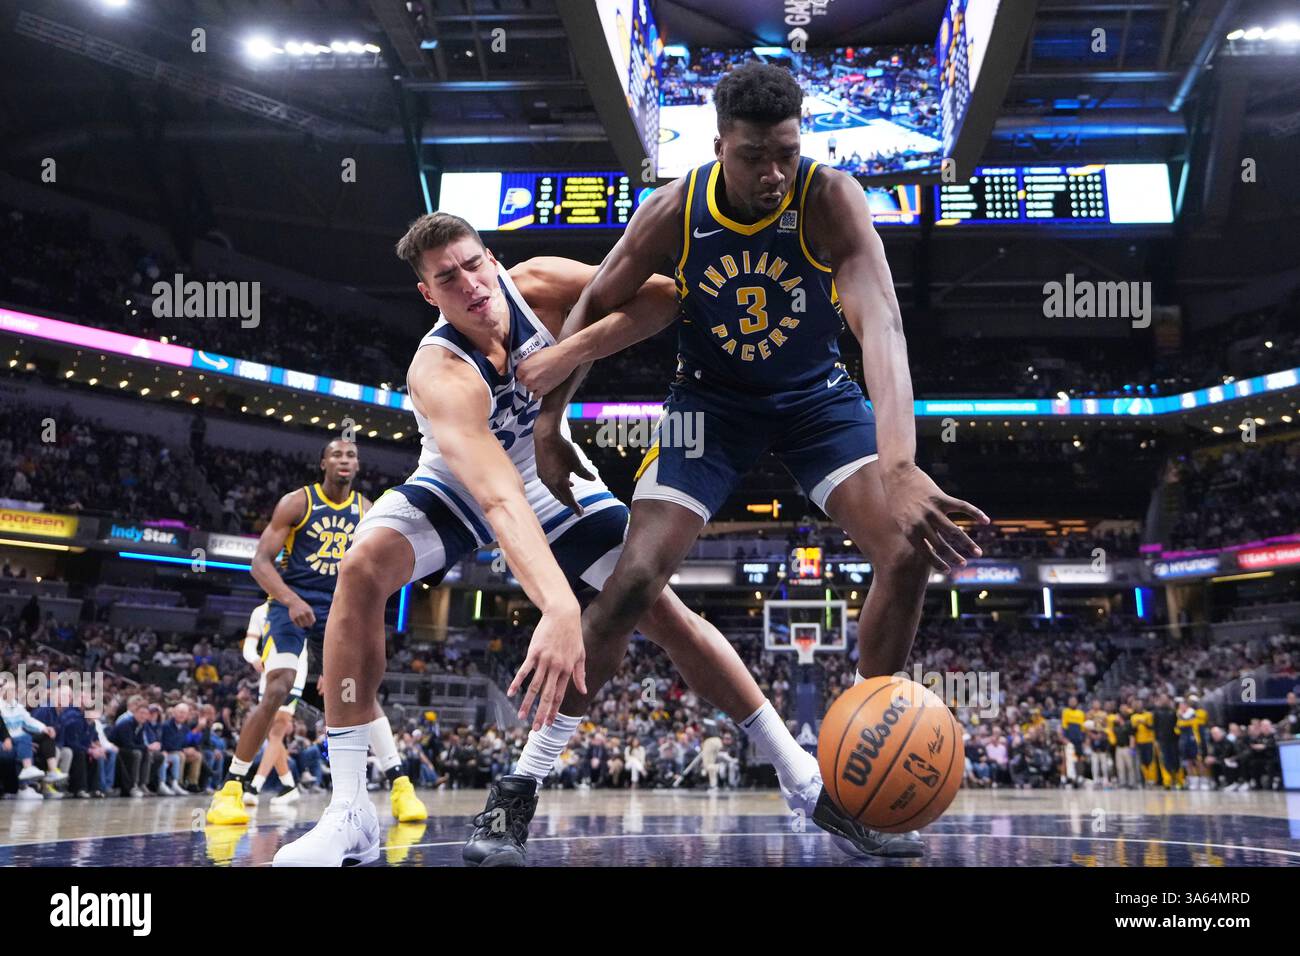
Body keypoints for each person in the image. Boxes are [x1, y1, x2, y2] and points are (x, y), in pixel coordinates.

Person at [274, 212, 906, 868]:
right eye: (445, 278)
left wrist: (567, 355)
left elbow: (666, 296)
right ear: (428, 295)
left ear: (490, 259)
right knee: (361, 568)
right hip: (462, 483)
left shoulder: (539, 284)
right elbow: (496, 499)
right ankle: (349, 810)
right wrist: (558, 605)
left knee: (663, 611)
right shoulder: (440, 373)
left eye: (470, 264)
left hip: (551, 477)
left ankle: (800, 776)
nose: (467, 284)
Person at [516, 61, 985, 852]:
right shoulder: (676, 207)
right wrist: (550, 421)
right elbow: (598, 300)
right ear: (718, 144)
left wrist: (901, 465)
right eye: (754, 156)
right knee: (631, 583)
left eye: (786, 154)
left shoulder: (830, 197)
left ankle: (861, 749)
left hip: (816, 403)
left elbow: (884, 329)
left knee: (905, 554)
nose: (773, 174)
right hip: (709, 407)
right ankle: (523, 778)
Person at [205, 439, 428, 828]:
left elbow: (373, 571)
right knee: (279, 687)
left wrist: (335, 658)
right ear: (323, 462)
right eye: (337, 455)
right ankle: (231, 790)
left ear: (358, 467)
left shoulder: (367, 510)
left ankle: (400, 786)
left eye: (352, 456)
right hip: (290, 603)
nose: (345, 460)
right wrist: (290, 600)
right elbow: (260, 563)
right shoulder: (297, 503)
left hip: (338, 606)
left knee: (358, 691)